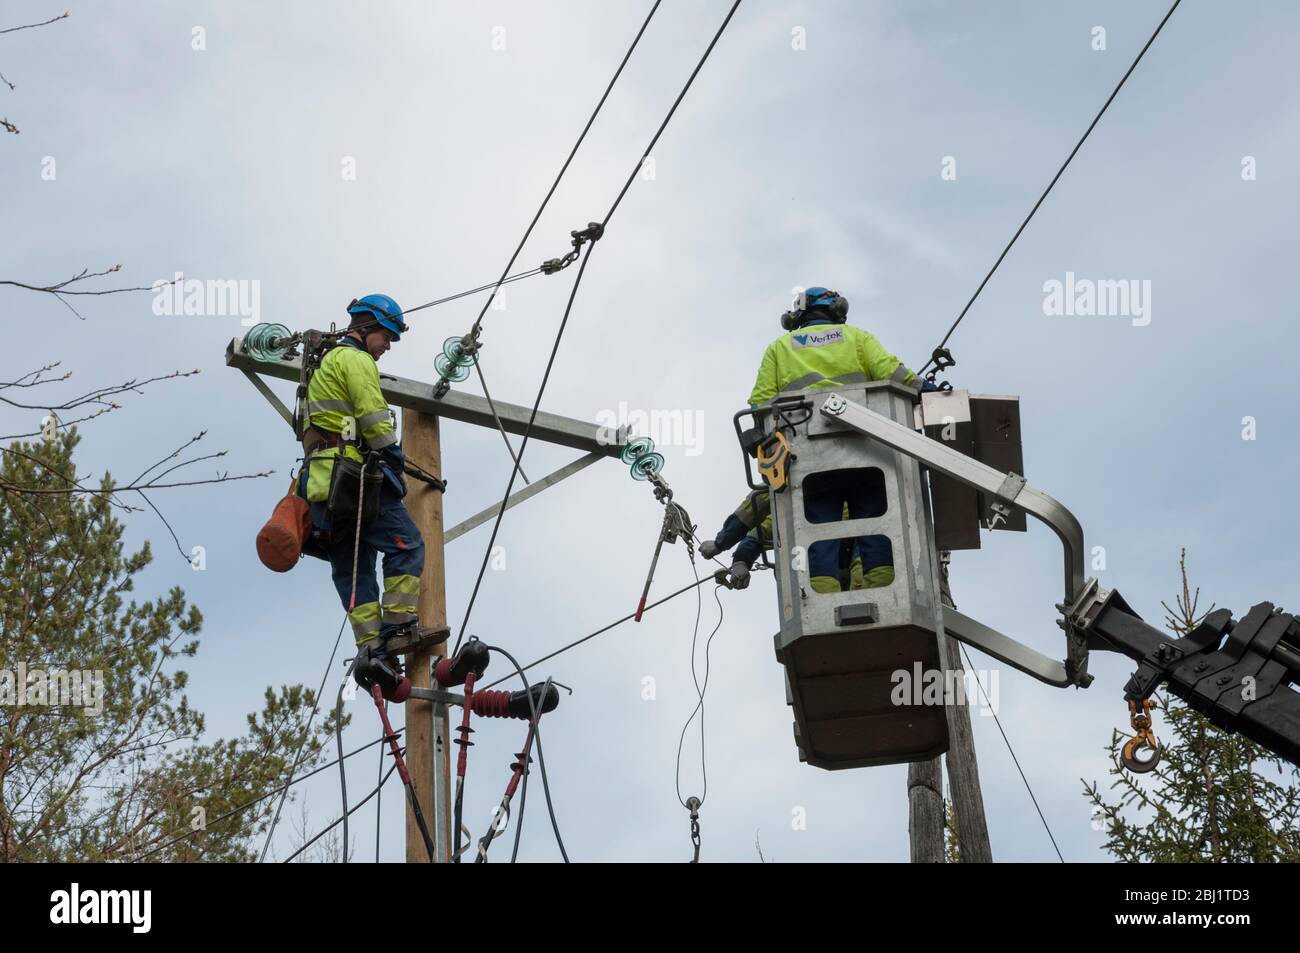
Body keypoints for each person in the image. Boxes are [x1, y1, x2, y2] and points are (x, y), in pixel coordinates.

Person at [297, 294, 424, 689]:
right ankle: (399, 627)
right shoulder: (355, 360)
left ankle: (372, 650)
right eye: (386, 337)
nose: (387, 347)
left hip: (323, 486)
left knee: (353, 565)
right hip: (355, 477)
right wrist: (394, 456)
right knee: (407, 545)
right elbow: (373, 416)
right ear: (367, 327)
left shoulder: (320, 368)